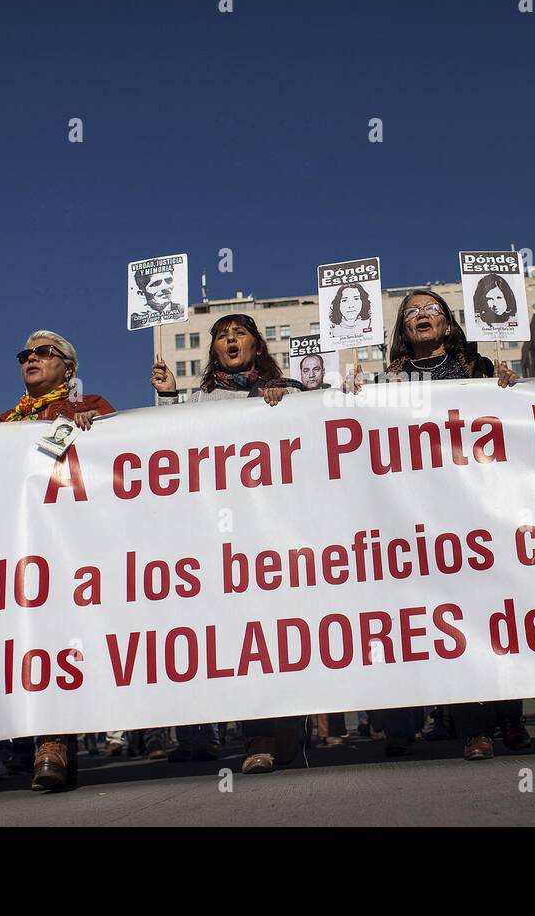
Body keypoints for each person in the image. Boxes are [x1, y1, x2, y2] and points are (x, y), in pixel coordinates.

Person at [0, 329, 114, 789]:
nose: (30, 359)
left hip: (70, 547)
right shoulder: (1, 423)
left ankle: (54, 744)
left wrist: (104, 428)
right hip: (16, 550)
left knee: (60, 641)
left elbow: (121, 461)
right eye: (25, 354)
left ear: (68, 368)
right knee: (22, 644)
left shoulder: (92, 407)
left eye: (43, 353)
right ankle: (18, 744)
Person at [349, 289, 524, 760]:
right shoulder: (390, 381)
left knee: (497, 620)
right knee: (455, 624)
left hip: (480, 512)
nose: (422, 316)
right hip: (425, 521)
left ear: (449, 324)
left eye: (432, 311)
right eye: (411, 313)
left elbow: (511, 423)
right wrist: (356, 397)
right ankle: (475, 729)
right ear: (402, 331)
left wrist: (511, 388)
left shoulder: (480, 370)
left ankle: (510, 716)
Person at [150, 313, 304, 772]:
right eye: (221, 335)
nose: (230, 339)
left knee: (283, 634)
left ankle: (289, 731)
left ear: (258, 345)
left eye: (239, 333)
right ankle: (257, 736)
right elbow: (166, 449)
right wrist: (166, 397)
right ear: (213, 350)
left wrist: (288, 405)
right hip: (226, 542)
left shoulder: (290, 391)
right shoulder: (197, 400)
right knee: (246, 637)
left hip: (279, 537)